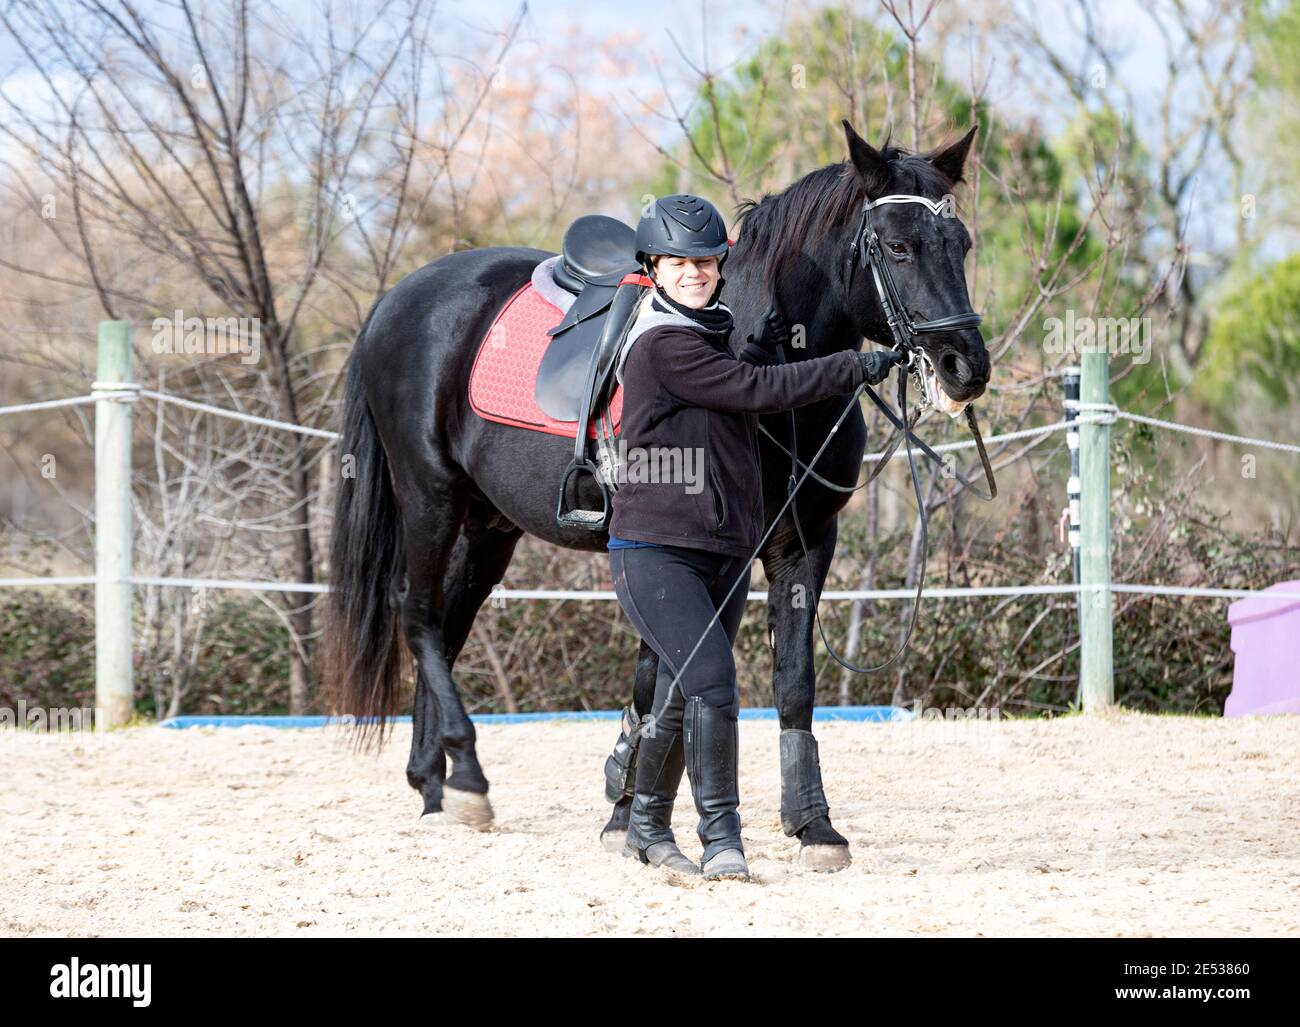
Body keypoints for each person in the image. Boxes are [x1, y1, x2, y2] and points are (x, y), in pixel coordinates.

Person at [604, 194, 903, 880]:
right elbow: (750, 389)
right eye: (680, 261)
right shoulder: (661, 343)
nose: (696, 272)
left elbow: (744, 382)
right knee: (714, 682)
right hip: (656, 550)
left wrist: (767, 347)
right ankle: (721, 837)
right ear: (653, 267)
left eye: (707, 260)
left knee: (682, 696)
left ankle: (645, 825)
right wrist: (853, 368)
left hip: (723, 552)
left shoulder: (712, 331)